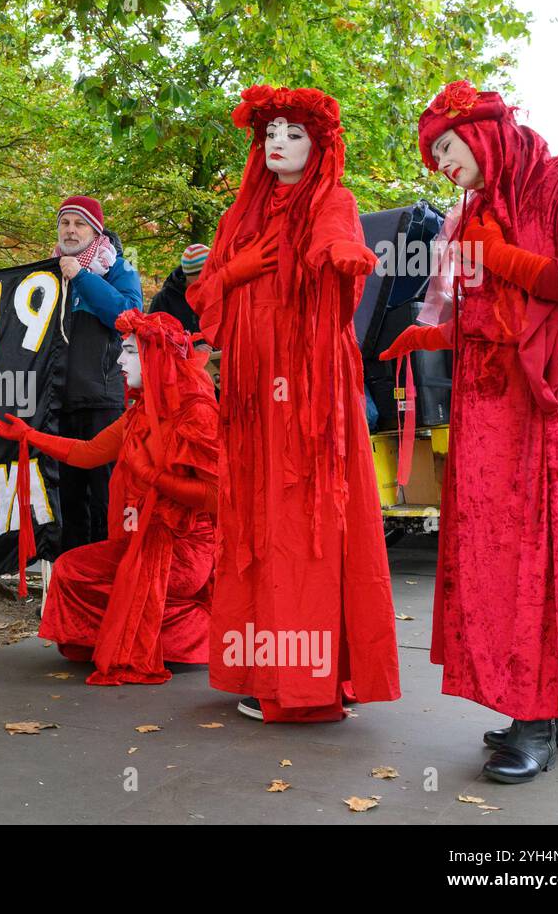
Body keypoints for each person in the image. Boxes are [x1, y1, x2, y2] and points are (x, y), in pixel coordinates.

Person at [382, 81, 558, 783]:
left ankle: (537, 714)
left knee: (541, 552)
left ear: (484, 131)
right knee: (515, 550)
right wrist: (436, 333)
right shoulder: (474, 211)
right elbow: (493, 319)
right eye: (435, 156)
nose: (443, 165)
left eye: (448, 146)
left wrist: (503, 254)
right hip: (492, 398)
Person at [185, 85, 400, 723]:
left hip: (308, 390)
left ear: (318, 145)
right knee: (258, 521)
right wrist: (241, 267)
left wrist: (344, 258)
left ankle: (311, 682)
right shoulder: (239, 216)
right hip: (253, 390)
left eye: (294, 134)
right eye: (271, 133)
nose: (278, 142)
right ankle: (266, 670)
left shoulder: (334, 199)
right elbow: (207, 299)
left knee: (307, 518)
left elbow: (339, 248)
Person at [0, 309, 217, 685]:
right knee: (70, 569)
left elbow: (214, 495)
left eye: (129, 352)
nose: (118, 360)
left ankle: (187, 638)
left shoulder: (197, 414)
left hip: (183, 551)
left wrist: (152, 476)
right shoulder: (139, 413)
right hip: (140, 542)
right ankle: (108, 640)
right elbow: (88, 451)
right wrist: (29, 436)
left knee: (122, 581)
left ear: (156, 357)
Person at [53, 195, 144, 555]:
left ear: (96, 230)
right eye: (65, 223)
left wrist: (83, 277)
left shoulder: (118, 269)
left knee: (104, 498)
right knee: (67, 499)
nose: (71, 231)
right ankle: (73, 584)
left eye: (79, 224)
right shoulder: (47, 272)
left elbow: (129, 315)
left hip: (103, 401)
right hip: (58, 401)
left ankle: (109, 581)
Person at [148, 243, 208, 334]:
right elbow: (153, 338)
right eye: (205, 274)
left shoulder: (218, 293)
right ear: (189, 274)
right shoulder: (163, 300)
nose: (210, 278)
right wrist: (191, 346)